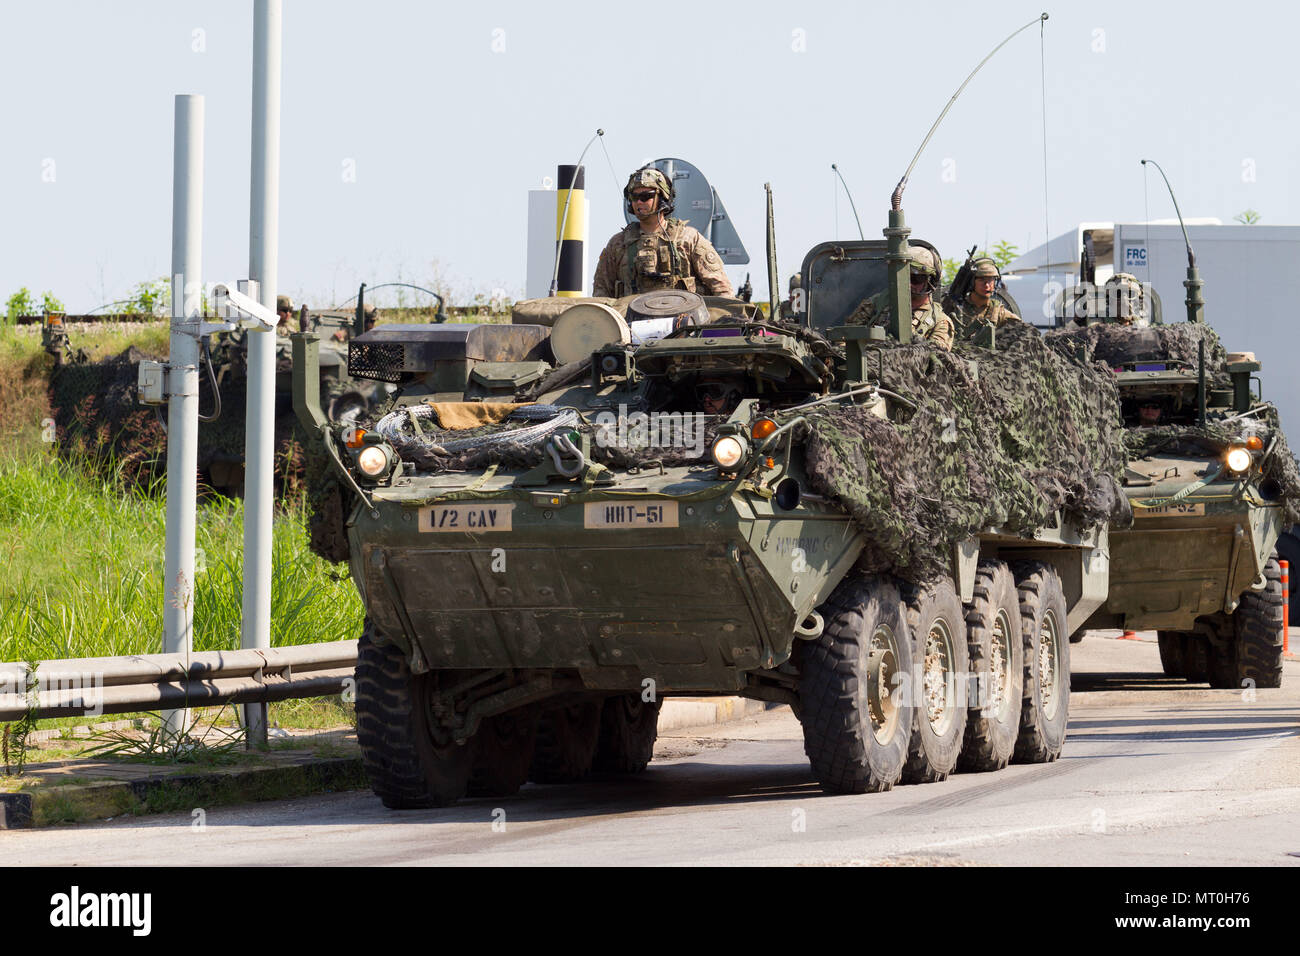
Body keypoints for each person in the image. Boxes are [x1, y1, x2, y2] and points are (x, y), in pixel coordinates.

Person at [592, 167, 734, 298]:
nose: (639, 202)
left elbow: (722, 289)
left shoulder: (688, 239)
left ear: (662, 198)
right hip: (630, 317)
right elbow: (601, 293)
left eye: (646, 196)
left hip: (683, 316)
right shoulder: (618, 244)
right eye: (634, 197)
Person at [844, 244, 955, 350]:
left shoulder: (941, 323)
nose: (908, 284)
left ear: (931, 281)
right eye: (904, 277)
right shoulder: (878, 303)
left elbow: (936, 357)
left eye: (916, 279)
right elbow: (846, 336)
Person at [942, 257, 1018, 340]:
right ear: (972, 282)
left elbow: (1022, 329)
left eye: (990, 279)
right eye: (982, 279)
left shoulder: (999, 312)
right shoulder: (955, 308)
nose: (987, 285)